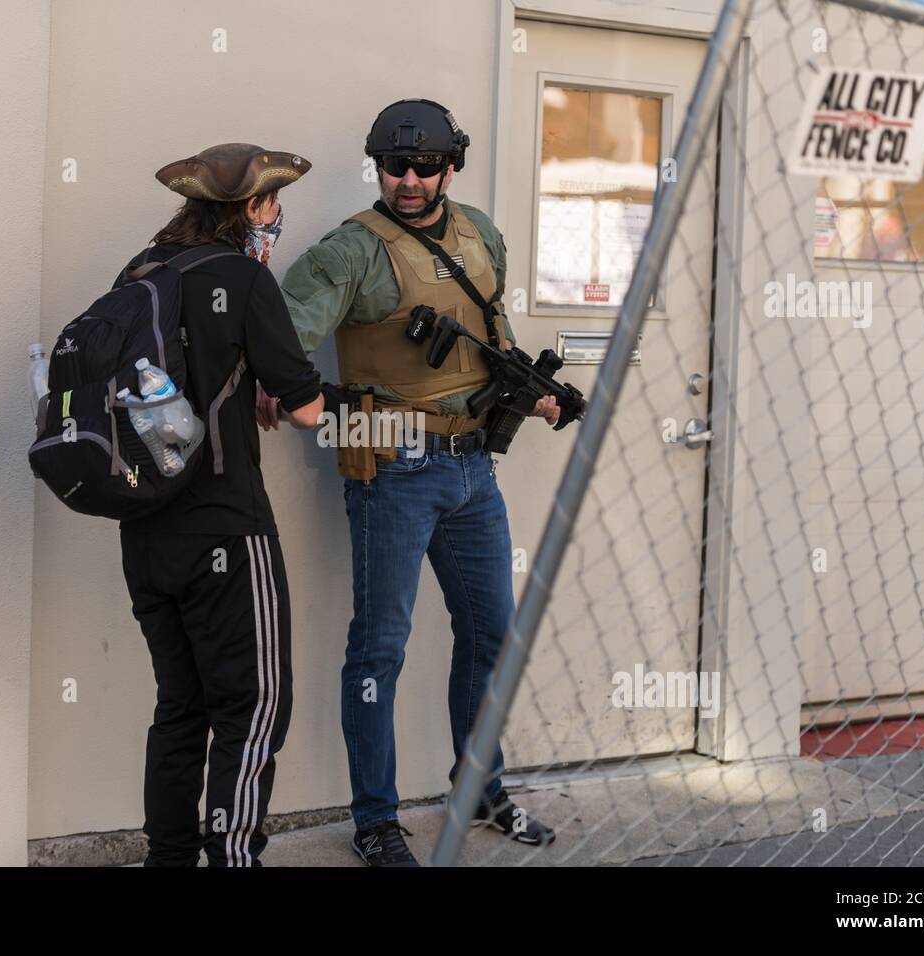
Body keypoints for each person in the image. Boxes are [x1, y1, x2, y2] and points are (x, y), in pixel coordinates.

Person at [263, 100, 559, 866]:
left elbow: (496, 336)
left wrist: (533, 388)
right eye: (396, 166)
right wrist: (303, 400)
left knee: (492, 636)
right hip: (393, 469)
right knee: (379, 650)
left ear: (449, 166)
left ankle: (483, 792)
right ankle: (375, 820)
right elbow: (283, 339)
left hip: (473, 470)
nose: (410, 179)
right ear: (378, 167)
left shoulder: (479, 232)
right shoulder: (350, 253)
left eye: (426, 166)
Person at [119, 143, 324, 867]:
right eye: (274, 206)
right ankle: (233, 857)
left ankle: (168, 858)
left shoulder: (141, 271)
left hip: (145, 532)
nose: (277, 219)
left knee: (181, 705)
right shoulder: (242, 276)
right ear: (251, 209)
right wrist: (291, 392)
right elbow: (304, 408)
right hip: (227, 532)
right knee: (255, 704)